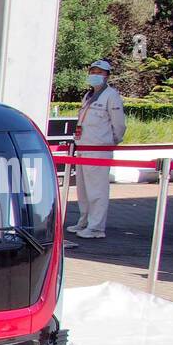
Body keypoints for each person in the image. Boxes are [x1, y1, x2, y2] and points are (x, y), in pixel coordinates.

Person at [70, 59, 126, 240]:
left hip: (99, 149)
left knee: (97, 190)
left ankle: (96, 227)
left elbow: (119, 124)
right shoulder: (88, 96)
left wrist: (112, 141)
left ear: (107, 75)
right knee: (83, 189)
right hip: (83, 147)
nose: (95, 75)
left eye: (100, 72)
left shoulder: (111, 95)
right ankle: (85, 220)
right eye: (93, 71)